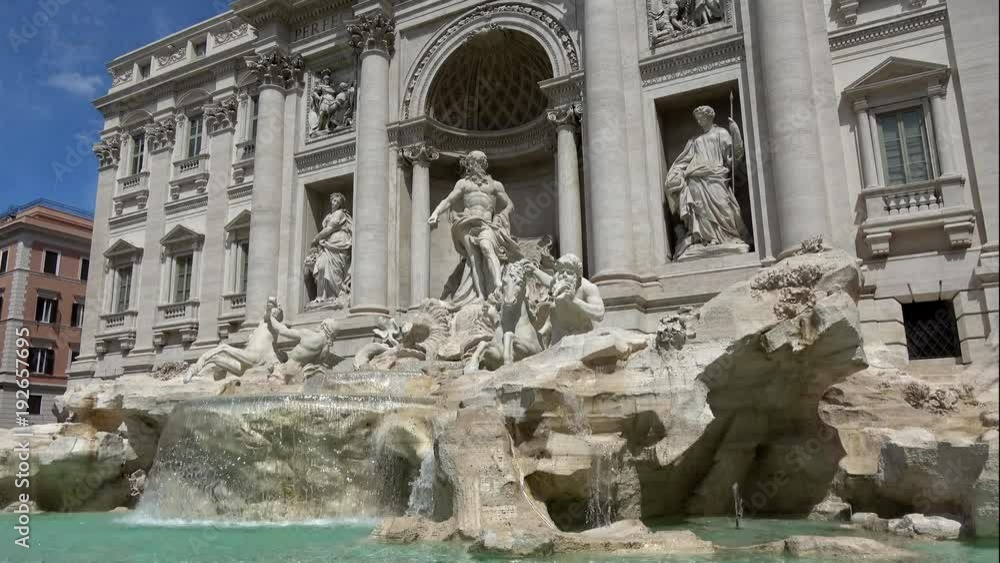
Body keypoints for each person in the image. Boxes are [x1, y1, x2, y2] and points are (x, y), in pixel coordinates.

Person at [429, 150, 519, 301]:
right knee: (473, 258)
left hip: (487, 224)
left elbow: (510, 205)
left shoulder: (495, 185)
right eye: (472, 162)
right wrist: (436, 213)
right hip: (467, 223)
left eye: (479, 162)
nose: (475, 165)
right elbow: (449, 200)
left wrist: (500, 216)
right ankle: (480, 295)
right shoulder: (463, 184)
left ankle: (498, 284)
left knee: (486, 246)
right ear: (469, 164)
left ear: (484, 164)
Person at [664, 105, 748, 259]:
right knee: (700, 210)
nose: (699, 121)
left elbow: (732, 159)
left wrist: (736, 133)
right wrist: (676, 173)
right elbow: (684, 161)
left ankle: (728, 236)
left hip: (716, 175)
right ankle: (707, 239)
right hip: (695, 178)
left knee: (723, 205)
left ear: (710, 117)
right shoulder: (694, 140)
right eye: (697, 119)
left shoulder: (722, 133)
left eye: (702, 117)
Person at [528, 254, 605, 346]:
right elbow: (549, 281)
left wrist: (573, 300)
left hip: (583, 337)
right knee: (553, 307)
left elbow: (599, 314)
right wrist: (534, 270)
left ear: (578, 278)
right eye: (561, 271)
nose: (564, 275)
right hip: (560, 338)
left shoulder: (588, 288)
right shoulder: (558, 280)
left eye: (569, 272)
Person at [308, 192, 352, 303]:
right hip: (327, 245)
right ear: (330, 200)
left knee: (336, 271)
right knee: (322, 266)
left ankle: (335, 295)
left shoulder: (339, 213)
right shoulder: (328, 216)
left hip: (339, 244)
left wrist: (316, 239)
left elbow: (329, 229)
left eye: (338, 202)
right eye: (334, 200)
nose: (335, 203)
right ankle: (322, 296)